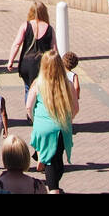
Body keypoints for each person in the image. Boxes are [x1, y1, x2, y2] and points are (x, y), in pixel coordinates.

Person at [26, 50, 78, 194]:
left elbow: (28, 106)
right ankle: (53, 189)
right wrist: (69, 119)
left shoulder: (37, 83)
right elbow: (75, 108)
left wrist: (35, 120)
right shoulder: (67, 83)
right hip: (62, 126)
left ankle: (41, 157)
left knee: (50, 160)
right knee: (57, 160)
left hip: (43, 127)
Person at [6, 1, 54, 102]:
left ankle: (29, 113)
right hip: (43, 64)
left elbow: (16, 45)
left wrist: (11, 60)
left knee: (28, 88)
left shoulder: (25, 26)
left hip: (26, 63)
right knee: (43, 89)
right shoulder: (49, 29)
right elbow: (54, 49)